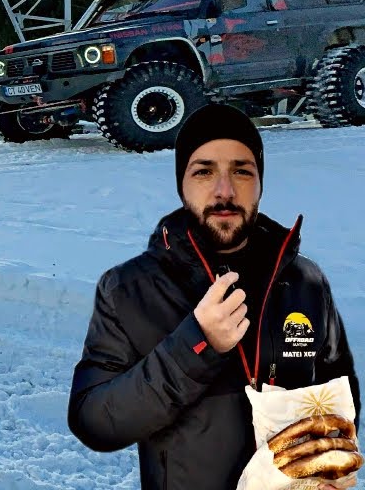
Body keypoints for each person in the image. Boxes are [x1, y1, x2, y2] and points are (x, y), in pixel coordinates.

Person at [68, 103, 360, 490]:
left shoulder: (305, 280)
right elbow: (94, 421)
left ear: (260, 183)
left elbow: (340, 392)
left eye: (242, 171)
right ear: (182, 184)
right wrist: (197, 344)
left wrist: (330, 462)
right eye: (204, 171)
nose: (225, 191)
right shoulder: (128, 288)